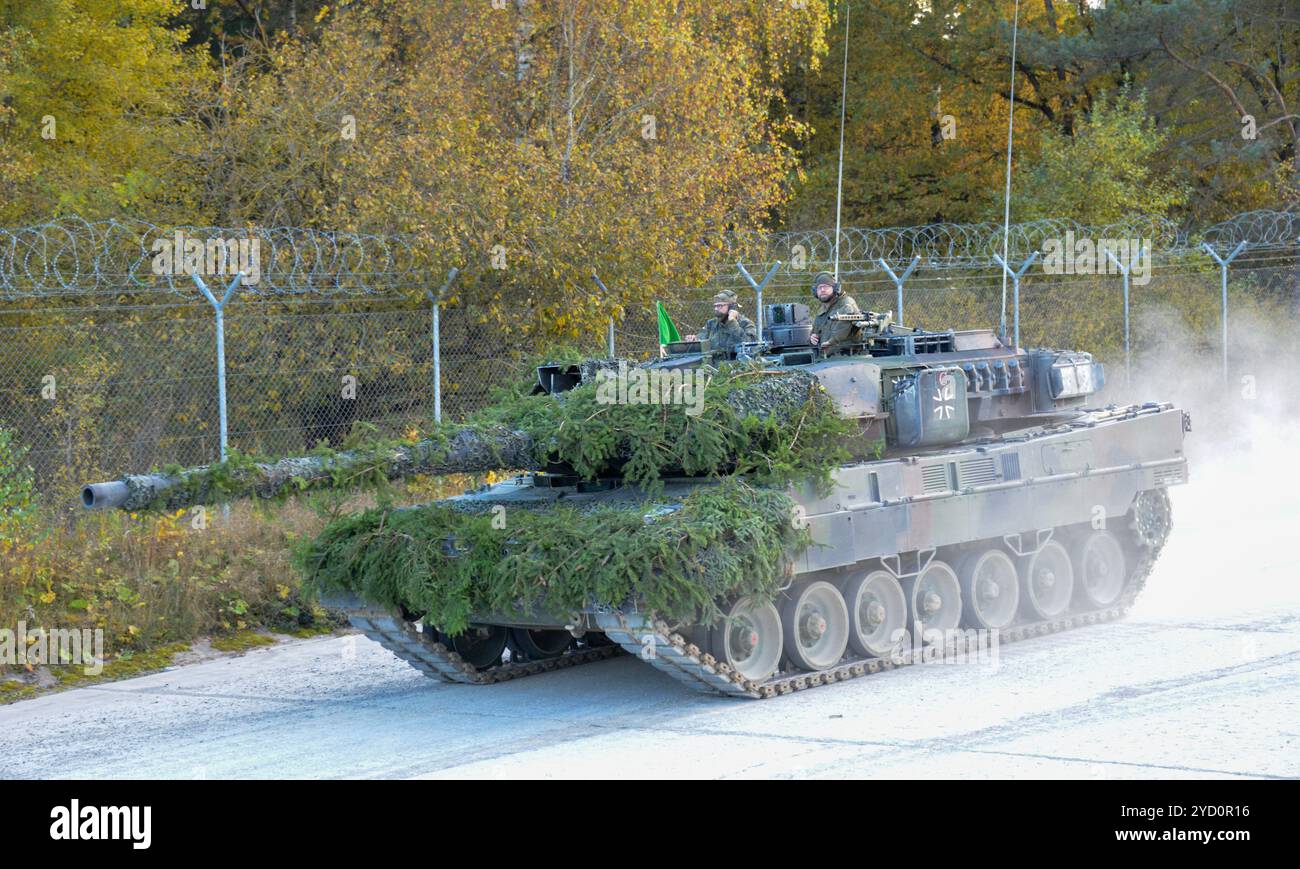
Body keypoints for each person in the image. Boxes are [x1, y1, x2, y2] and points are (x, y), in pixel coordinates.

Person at [809, 271, 862, 354]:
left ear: (835, 288)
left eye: (826, 287)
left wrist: (830, 342)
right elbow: (815, 333)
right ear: (815, 291)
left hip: (846, 358)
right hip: (826, 359)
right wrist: (812, 338)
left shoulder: (846, 304)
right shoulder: (822, 310)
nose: (822, 290)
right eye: (819, 288)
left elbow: (842, 329)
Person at [685, 290, 756, 352]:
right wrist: (694, 339)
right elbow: (701, 339)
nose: (716, 309)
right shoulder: (711, 323)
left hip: (736, 364)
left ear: (732, 306)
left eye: (720, 306)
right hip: (712, 364)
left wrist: (732, 322)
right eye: (715, 306)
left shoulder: (746, 323)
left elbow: (747, 344)